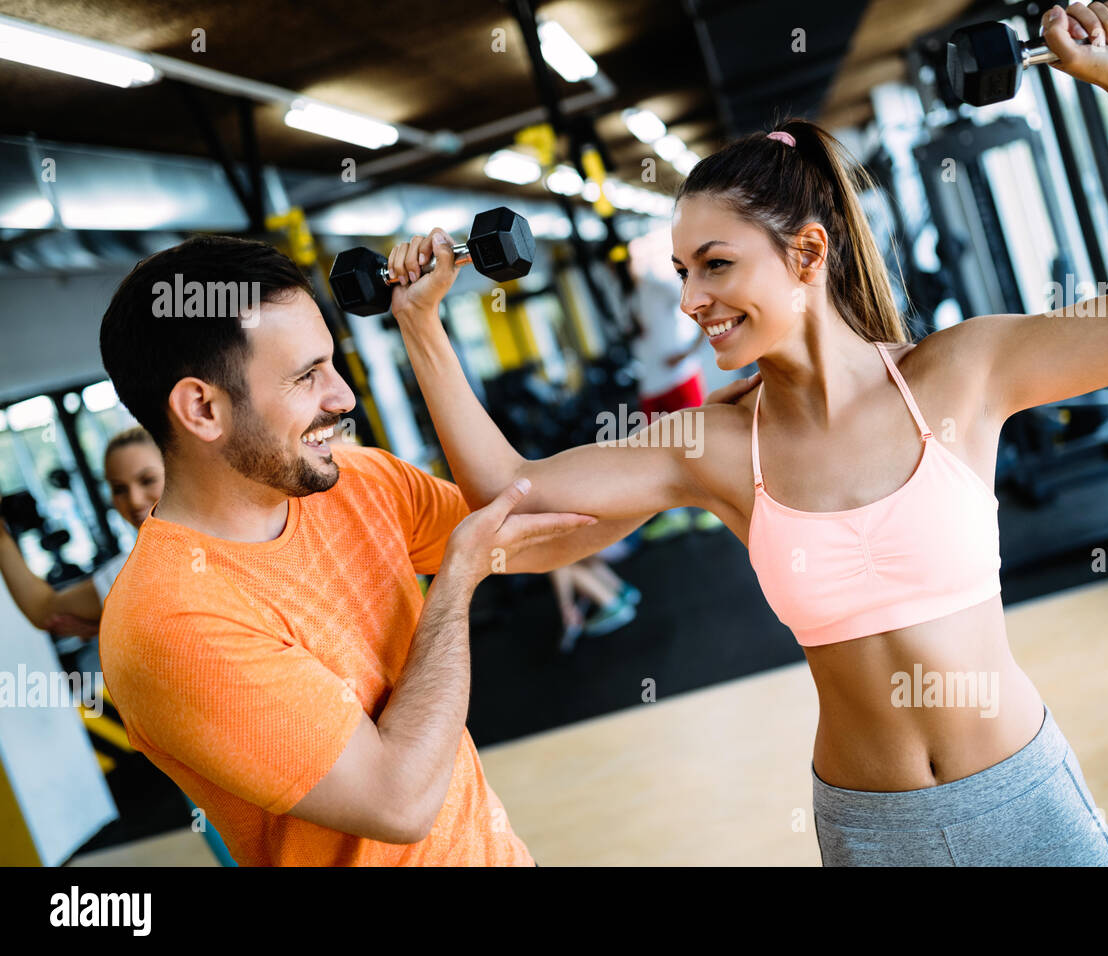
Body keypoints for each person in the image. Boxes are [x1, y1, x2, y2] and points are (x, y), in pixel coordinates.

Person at [380, 1, 1108, 866]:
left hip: (1019, 797)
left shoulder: (963, 373)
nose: (690, 300)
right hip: (871, 832)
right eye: (684, 271)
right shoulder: (712, 448)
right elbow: (506, 492)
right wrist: (422, 331)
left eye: (716, 265)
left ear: (806, 253)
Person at [95, 235, 648, 866]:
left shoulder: (356, 482)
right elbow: (397, 803)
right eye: (307, 376)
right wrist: (457, 577)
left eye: (330, 364)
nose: (343, 397)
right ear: (202, 408)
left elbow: (547, 527)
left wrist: (688, 457)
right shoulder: (167, 622)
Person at [0, 427, 162, 671]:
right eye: (119, 489)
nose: (135, 500)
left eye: (147, 480)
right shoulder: (126, 575)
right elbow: (44, 610)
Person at [628, 270, 723, 540]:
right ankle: (675, 515)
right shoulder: (626, 298)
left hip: (680, 377)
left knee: (697, 445)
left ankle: (716, 506)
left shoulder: (656, 284)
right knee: (660, 452)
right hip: (650, 384)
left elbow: (702, 308)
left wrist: (690, 349)